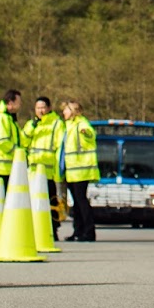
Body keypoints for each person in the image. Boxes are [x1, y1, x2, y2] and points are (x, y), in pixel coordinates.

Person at [19, 95, 63, 237]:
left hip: (48, 169)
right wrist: (32, 127)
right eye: (38, 108)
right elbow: (23, 141)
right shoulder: (31, 124)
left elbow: (59, 146)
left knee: (50, 201)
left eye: (43, 107)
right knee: (33, 200)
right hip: (33, 169)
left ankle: (53, 229)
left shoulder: (56, 124)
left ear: (49, 108)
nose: (40, 110)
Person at [59, 101, 100, 242]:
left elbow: (90, 135)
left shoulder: (81, 125)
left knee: (81, 201)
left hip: (81, 171)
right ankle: (78, 231)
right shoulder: (68, 126)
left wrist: (86, 133)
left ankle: (89, 232)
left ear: (74, 111)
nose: (63, 112)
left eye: (66, 110)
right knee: (76, 202)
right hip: (72, 171)